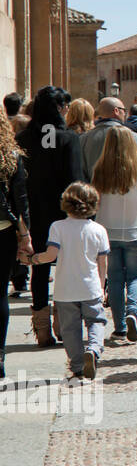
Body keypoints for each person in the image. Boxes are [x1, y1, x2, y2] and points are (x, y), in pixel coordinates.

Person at [17, 87, 86, 347]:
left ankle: (42, 329)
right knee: (66, 268)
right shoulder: (68, 138)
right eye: (64, 106)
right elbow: (75, 179)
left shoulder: (24, 138)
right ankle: (62, 323)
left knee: (39, 267)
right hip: (63, 214)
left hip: (33, 212)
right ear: (58, 108)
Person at [32, 183, 109, 380]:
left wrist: (33, 259)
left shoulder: (58, 227)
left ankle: (77, 365)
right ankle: (93, 349)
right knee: (97, 321)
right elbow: (103, 262)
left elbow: (51, 255)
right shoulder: (98, 229)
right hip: (90, 287)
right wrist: (101, 285)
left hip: (65, 290)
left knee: (69, 329)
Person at [91, 126, 137, 343]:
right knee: (136, 276)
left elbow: (95, 201)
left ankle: (119, 327)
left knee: (115, 278)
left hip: (108, 231)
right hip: (136, 229)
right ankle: (133, 312)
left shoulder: (100, 169)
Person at [0, 115, 30, 377]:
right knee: (1, 294)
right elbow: (20, 200)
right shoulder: (10, 155)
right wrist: (25, 234)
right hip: (5, 230)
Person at [82, 97, 137, 173]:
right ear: (116, 111)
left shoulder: (83, 139)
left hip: (93, 184)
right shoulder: (134, 137)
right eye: (124, 110)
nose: (125, 114)